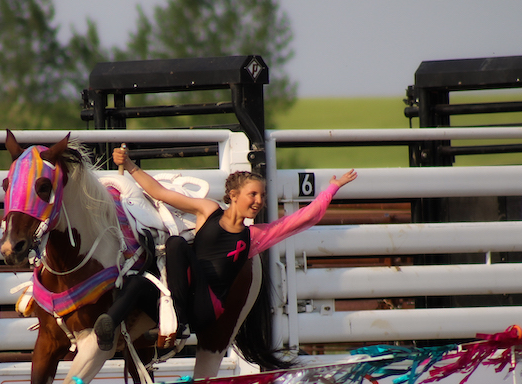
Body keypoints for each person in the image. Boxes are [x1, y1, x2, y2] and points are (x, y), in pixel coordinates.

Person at [96, 146, 356, 344]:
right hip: (184, 295)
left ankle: (180, 324)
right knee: (138, 282)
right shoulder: (208, 210)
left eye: (262, 196)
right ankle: (106, 328)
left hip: (206, 309)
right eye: (253, 194)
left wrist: (331, 188)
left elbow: (305, 217)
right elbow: (160, 193)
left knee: (176, 244)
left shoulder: (254, 236)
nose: (259, 201)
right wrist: (129, 164)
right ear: (233, 196)